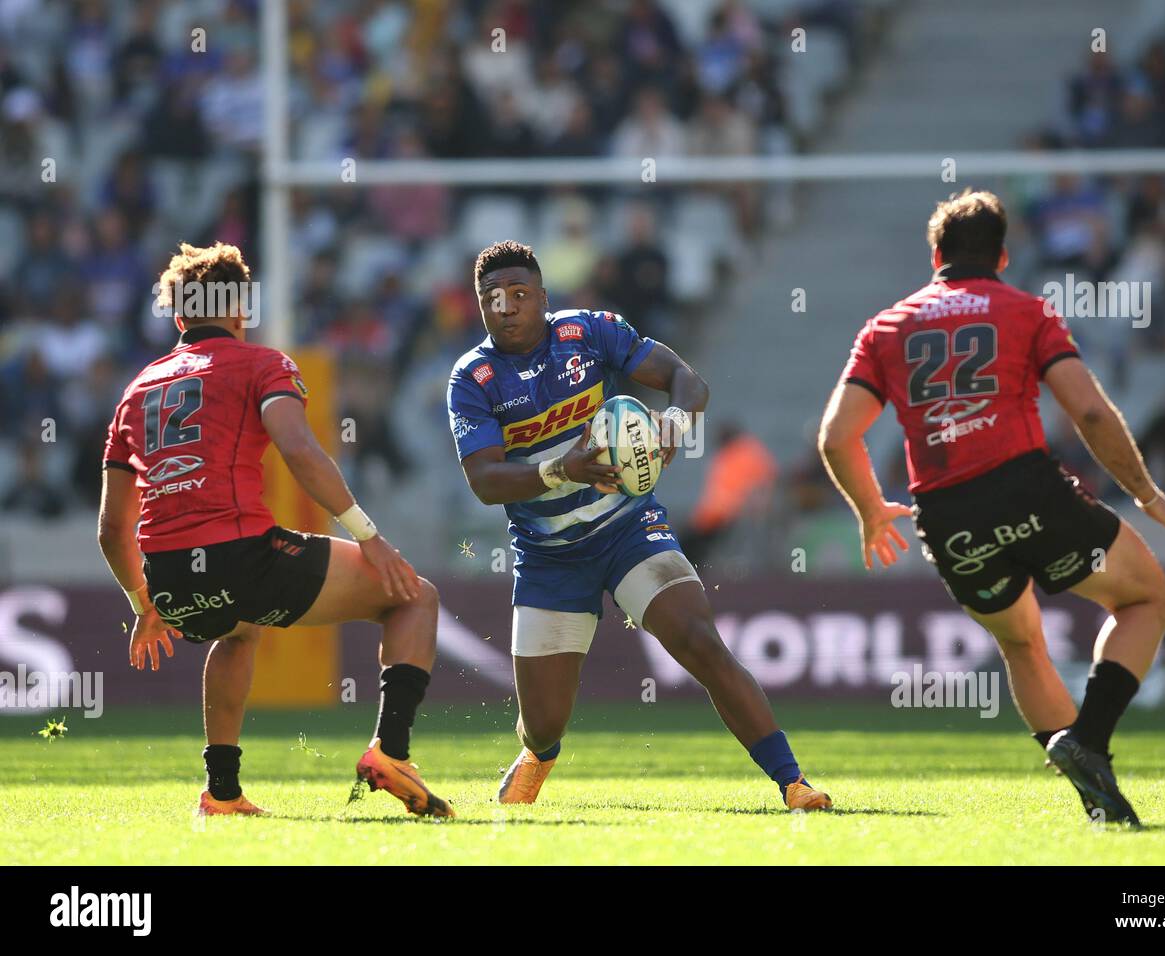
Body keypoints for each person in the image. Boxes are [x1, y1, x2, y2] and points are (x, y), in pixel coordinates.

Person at [818, 191, 1165, 825]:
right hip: (1027, 489)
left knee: (1022, 646)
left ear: (935, 254)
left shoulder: (888, 326)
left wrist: (871, 511)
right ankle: (1090, 739)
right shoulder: (1027, 311)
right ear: (1003, 255)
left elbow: (835, 435)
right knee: (1146, 597)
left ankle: (1095, 800)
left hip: (943, 513)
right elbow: (1092, 411)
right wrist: (1147, 495)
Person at [446, 240, 829, 811]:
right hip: (548, 553)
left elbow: (686, 379)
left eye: (519, 294)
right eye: (491, 297)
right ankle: (538, 754)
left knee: (699, 641)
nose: (505, 307)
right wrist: (561, 469)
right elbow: (484, 481)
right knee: (545, 724)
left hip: (628, 527)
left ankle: (793, 783)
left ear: (543, 298)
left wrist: (673, 424)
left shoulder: (587, 332)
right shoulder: (471, 378)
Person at [97, 242, 451, 817]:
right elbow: (301, 451)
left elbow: (113, 527)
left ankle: (222, 792)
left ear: (179, 315)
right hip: (242, 555)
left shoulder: (135, 392)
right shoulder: (262, 364)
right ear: (239, 310)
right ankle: (392, 752)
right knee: (414, 596)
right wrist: (368, 535)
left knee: (236, 632)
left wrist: (143, 600)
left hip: (164, 577)